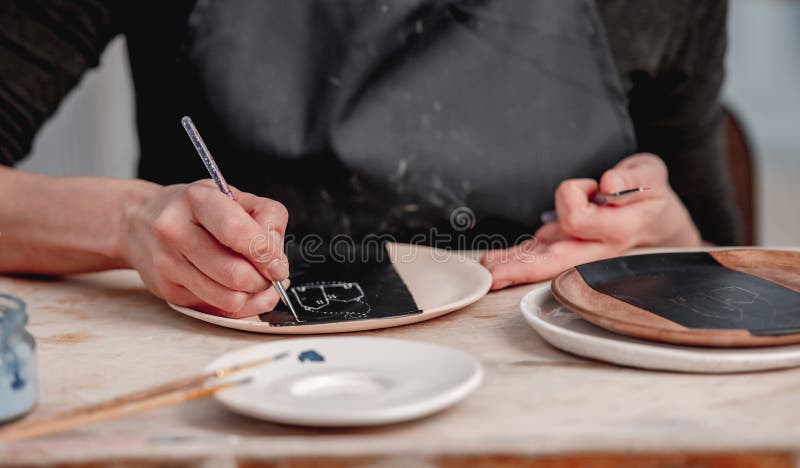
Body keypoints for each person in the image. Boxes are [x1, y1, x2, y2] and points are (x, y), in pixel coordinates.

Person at [0, 1, 739, 318]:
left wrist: (659, 234)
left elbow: (719, 258)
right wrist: (129, 221)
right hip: (234, 397)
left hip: (554, 404)